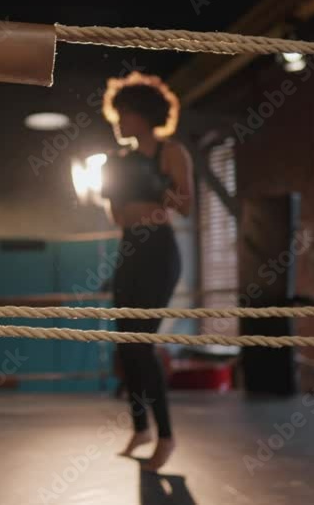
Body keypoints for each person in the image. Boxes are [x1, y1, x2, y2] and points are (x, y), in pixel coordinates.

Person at [100, 71, 192, 472]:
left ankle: (166, 437)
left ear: (141, 115)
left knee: (144, 343)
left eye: (124, 114)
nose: (118, 122)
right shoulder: (119, 160)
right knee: (125, 343)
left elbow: (185, 206)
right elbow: (119, 216)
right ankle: (140, 429)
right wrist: (118, 186)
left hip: (159, 250)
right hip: (130, 247)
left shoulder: (171, 153)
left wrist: (159, 188)